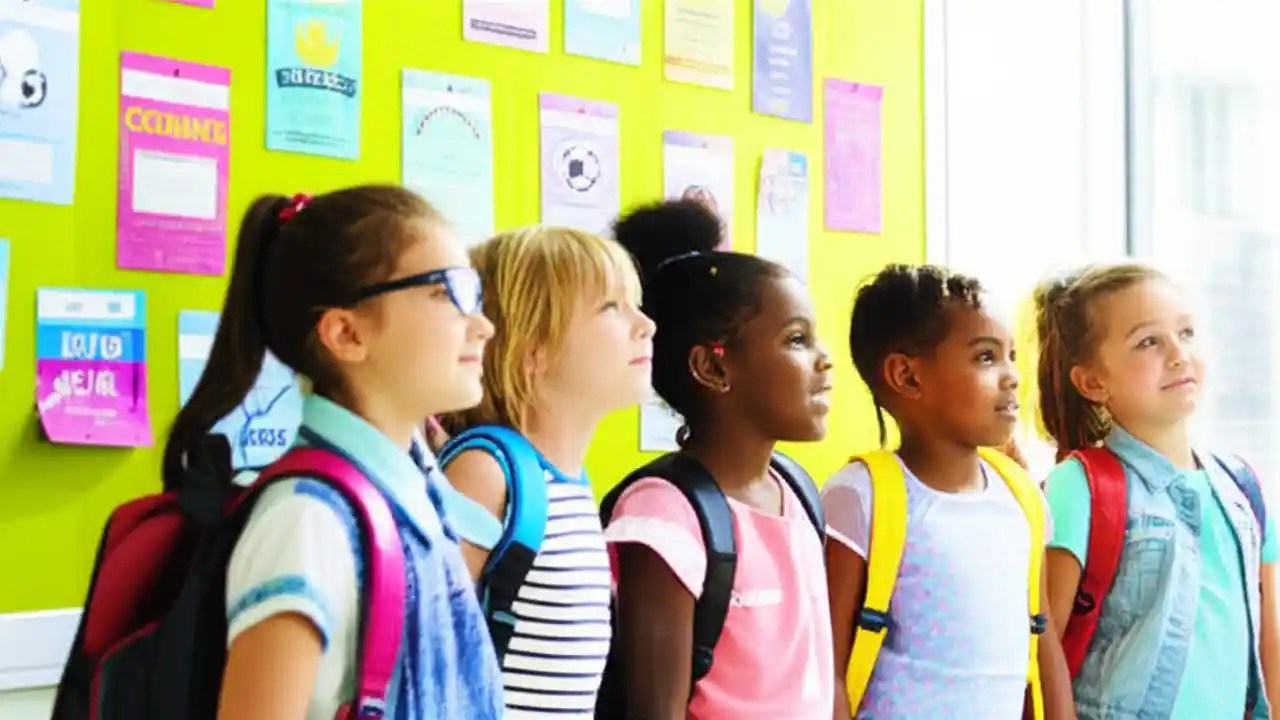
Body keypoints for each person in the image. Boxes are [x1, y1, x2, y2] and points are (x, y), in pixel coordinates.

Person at [165, 186, 503, 719]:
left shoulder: (421, 490)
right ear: (346, 333)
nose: (482, 325)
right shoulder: (308, 520)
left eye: (475, 293)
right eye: (448, 293)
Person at [602, 199, 836, 719]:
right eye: (797, 340)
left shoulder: (797, 491)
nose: (825, 359)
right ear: (713, 366)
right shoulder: (663, 514)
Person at [823, 264, 1075, 719]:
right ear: (907, 376)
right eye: (985, 357)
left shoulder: (1022, 498)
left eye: (1012, 356)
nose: (1012, 376)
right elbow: (827, 668)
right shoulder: (861, 496)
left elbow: (1043, 644)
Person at [1037, 263, 1280, 719]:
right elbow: (1042, 646)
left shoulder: (1243, 488)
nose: (1178, 354)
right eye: (1149, 341)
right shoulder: (1079, 486)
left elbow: (1270, 642)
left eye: (1186, 333)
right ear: (1093, 382)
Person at [434, 226, 654, 718]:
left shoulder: (569, 484)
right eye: (611, 308)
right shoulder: (485, 473)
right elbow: (431, 659)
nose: (646, 325)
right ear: (535, 350)